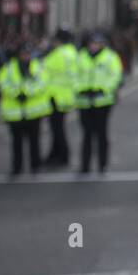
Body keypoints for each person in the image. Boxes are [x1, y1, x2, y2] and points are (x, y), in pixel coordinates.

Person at [0, 42, 50, 176]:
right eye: (23, 54)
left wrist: (27, 93)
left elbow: (42, 83)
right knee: (16, 142)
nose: (25, 56)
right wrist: (16, 94)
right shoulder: (9, 68)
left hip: (33, 111)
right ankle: (17, 167)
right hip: (15, 112)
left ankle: (35, 165)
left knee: (34, 140)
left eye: (28, 54)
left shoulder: (37, 67)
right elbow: (2, 83)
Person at [76, 31, 123, 173]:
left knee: (102, 134)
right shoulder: (80, 57)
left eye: (97, 43)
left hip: (103, 102)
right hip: (84, 101)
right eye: (92, 43)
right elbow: (73, 76)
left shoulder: (110, 57)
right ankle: (85, 165)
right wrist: (81, 89)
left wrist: (102, 89)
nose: (94, 46)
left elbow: (115, 76)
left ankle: (102, 164)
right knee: (87, 135)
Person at [41, 26, 79, 168]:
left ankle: (62, 155)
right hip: (66, 97)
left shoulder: (58, 54)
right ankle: (56, 153)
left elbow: (43, 68)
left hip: (55, 96)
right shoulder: (73, 53)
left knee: (57, 129)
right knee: (58, 127)